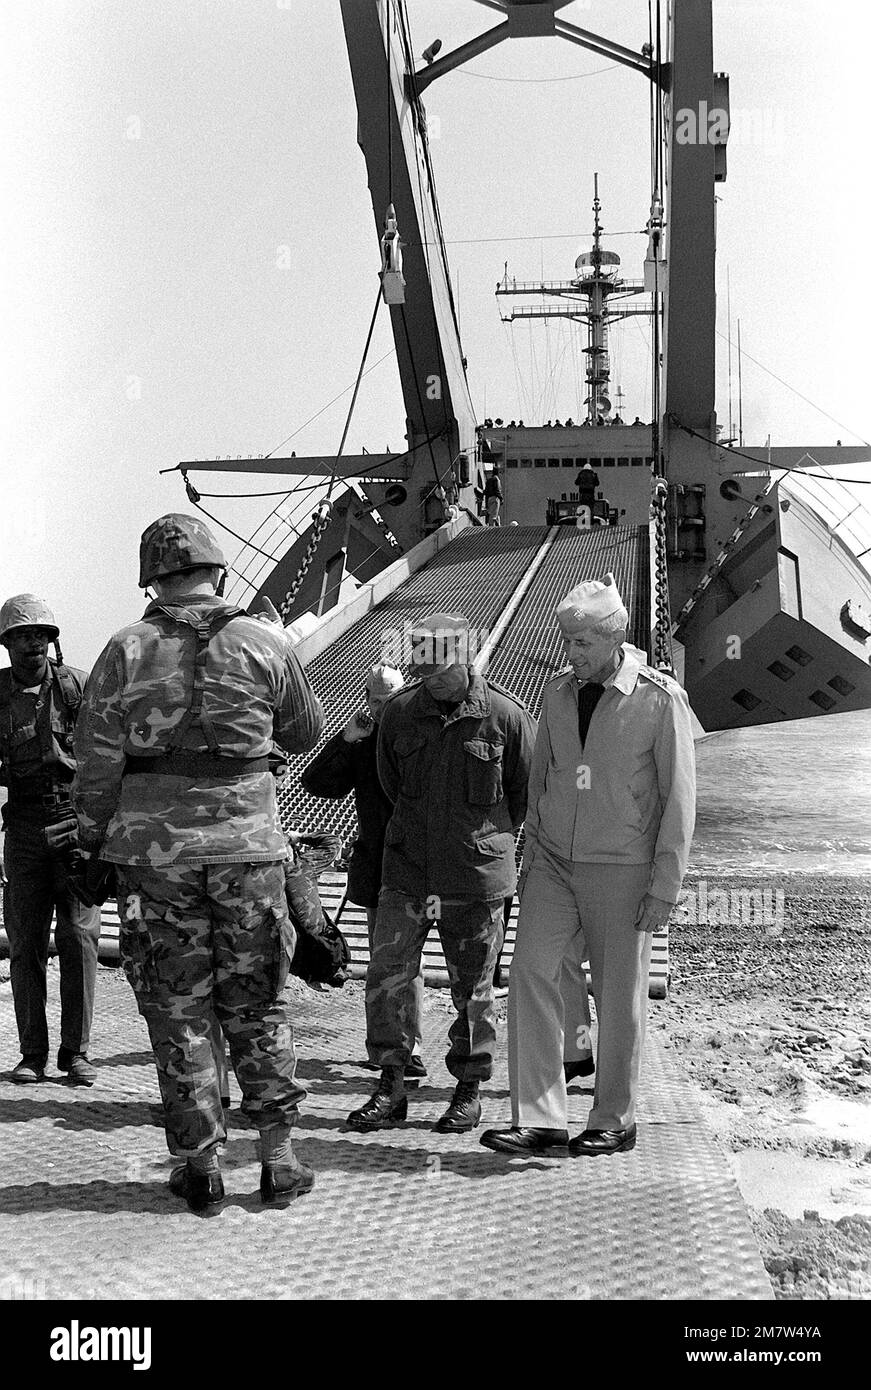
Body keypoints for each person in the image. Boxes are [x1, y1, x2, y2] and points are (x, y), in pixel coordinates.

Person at [72, 514, 324, 1212]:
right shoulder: (262, 640)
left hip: (157, 860)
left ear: (152, 578)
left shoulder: (125, 647)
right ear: (218, 570)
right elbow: (304, 732)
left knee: (180, 1011)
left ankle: (201, 1166)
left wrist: (91, 844)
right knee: (259, 1003)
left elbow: (95, 763)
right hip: (247, 849)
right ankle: (279, 1160)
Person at [481, 573, 695, 1157]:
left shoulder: (658, 699)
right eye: (566, 642)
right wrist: (528, 859)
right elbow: (544, 778)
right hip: (553, 861)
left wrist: (665, 886)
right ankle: (541, 1117)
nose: (570, 654)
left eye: (582, 644)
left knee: (617, 991)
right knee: (530, 971)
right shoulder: (554, 695)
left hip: (622, 868)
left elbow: (680, 799)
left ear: (614, 637)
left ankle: (613, 1117)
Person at [347, 612, 536, 1135]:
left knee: (473, 988)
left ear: (466, 659)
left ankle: (468, 1089)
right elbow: (390, 783)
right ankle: (391, 1085)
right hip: (407, 870)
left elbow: (522, 798)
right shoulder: (400, 715)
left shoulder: (506, 717)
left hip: (475, 878)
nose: (431, 680)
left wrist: (475, 839)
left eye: (440, 670)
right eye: (424, 671)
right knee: (387, 978)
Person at [300, 661, 427, 1082]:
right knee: (385, 958)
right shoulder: (364, 741)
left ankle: (412, 1045)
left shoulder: (419, 734)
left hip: (420, 863)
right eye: (375, 699)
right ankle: (386, 1047)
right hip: (380, 868)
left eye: (390, 698)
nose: (383, 707)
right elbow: (316, 784)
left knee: (409, 961)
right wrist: (344, 738)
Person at [0, 595, 101, 1085]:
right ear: (7, 644)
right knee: (25, 943)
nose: (32, 643)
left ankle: (76, 1053)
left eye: (40, 635)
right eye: (22, 635)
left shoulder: (76, 686)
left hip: (73, 821)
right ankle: (32, 1054)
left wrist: (74, 769)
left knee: (80, 937)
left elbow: (109, 752)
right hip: (20, 828)